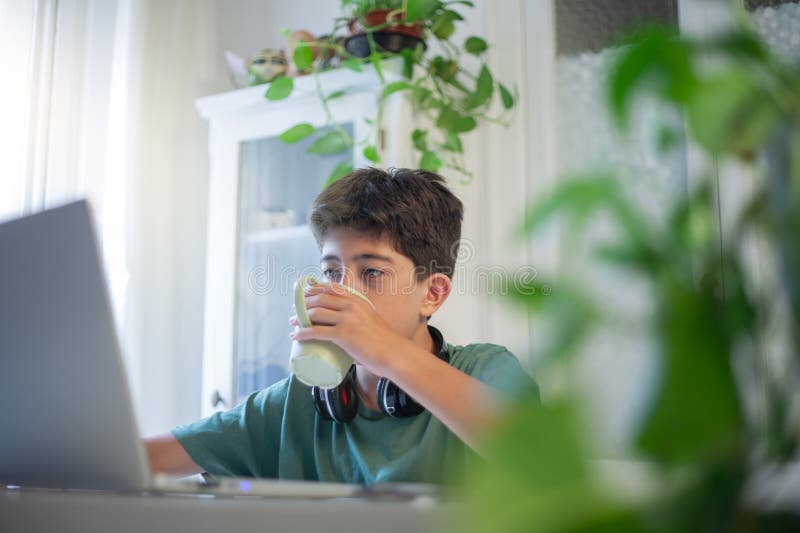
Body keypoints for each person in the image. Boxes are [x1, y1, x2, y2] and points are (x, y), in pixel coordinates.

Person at [145, 167, 538, 483]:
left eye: (371, 271)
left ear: (432, 294)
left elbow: (535, 456)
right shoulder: (294, 405)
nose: (342, 291)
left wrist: (385, 353)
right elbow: (147, 459)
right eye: (332, 272)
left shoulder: (486, 370)